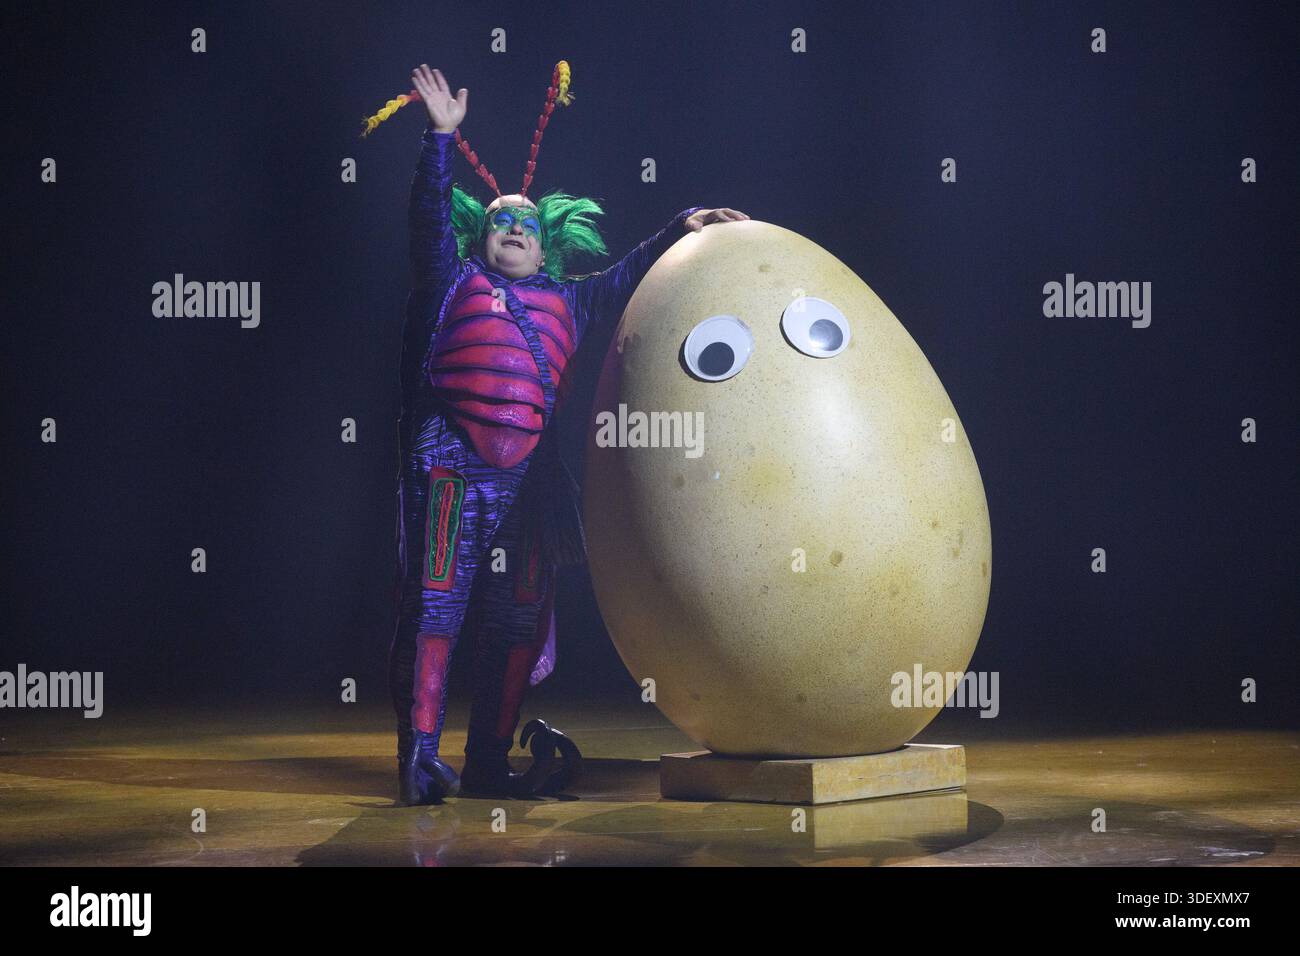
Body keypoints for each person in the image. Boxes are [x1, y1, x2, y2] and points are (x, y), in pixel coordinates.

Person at [382, 63, 748, 804]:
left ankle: (487, 761)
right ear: (479, 240)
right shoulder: (452, 281)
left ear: (545, 248)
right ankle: (417, 759)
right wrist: (439, 139)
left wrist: (684, 225)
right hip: (451, 469)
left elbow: (633, 273)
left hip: (531, 486)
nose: (513, 228)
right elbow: (427, 219)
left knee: (518, 620)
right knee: (434, 610)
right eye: (500, 222)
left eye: (526, 224)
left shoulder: (574, 302)